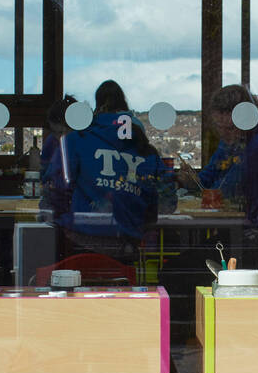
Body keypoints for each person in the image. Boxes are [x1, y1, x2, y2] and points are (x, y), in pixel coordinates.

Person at [47, 80, 174, 265]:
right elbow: (167, 202)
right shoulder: (147, 151)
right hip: (127, 245)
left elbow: (55, 190)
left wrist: (66, 218)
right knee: (124, 290)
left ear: (96, 111)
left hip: (79, 241)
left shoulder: (74, 141)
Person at [181, 83, 258, 262]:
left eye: (230, 128)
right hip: (253, 227)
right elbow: (209, 178)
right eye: (219, 127)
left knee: (185, 266)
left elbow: (230, 189)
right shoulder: (234, 140)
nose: (224, 134)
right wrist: (190, 180)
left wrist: (203, 188)